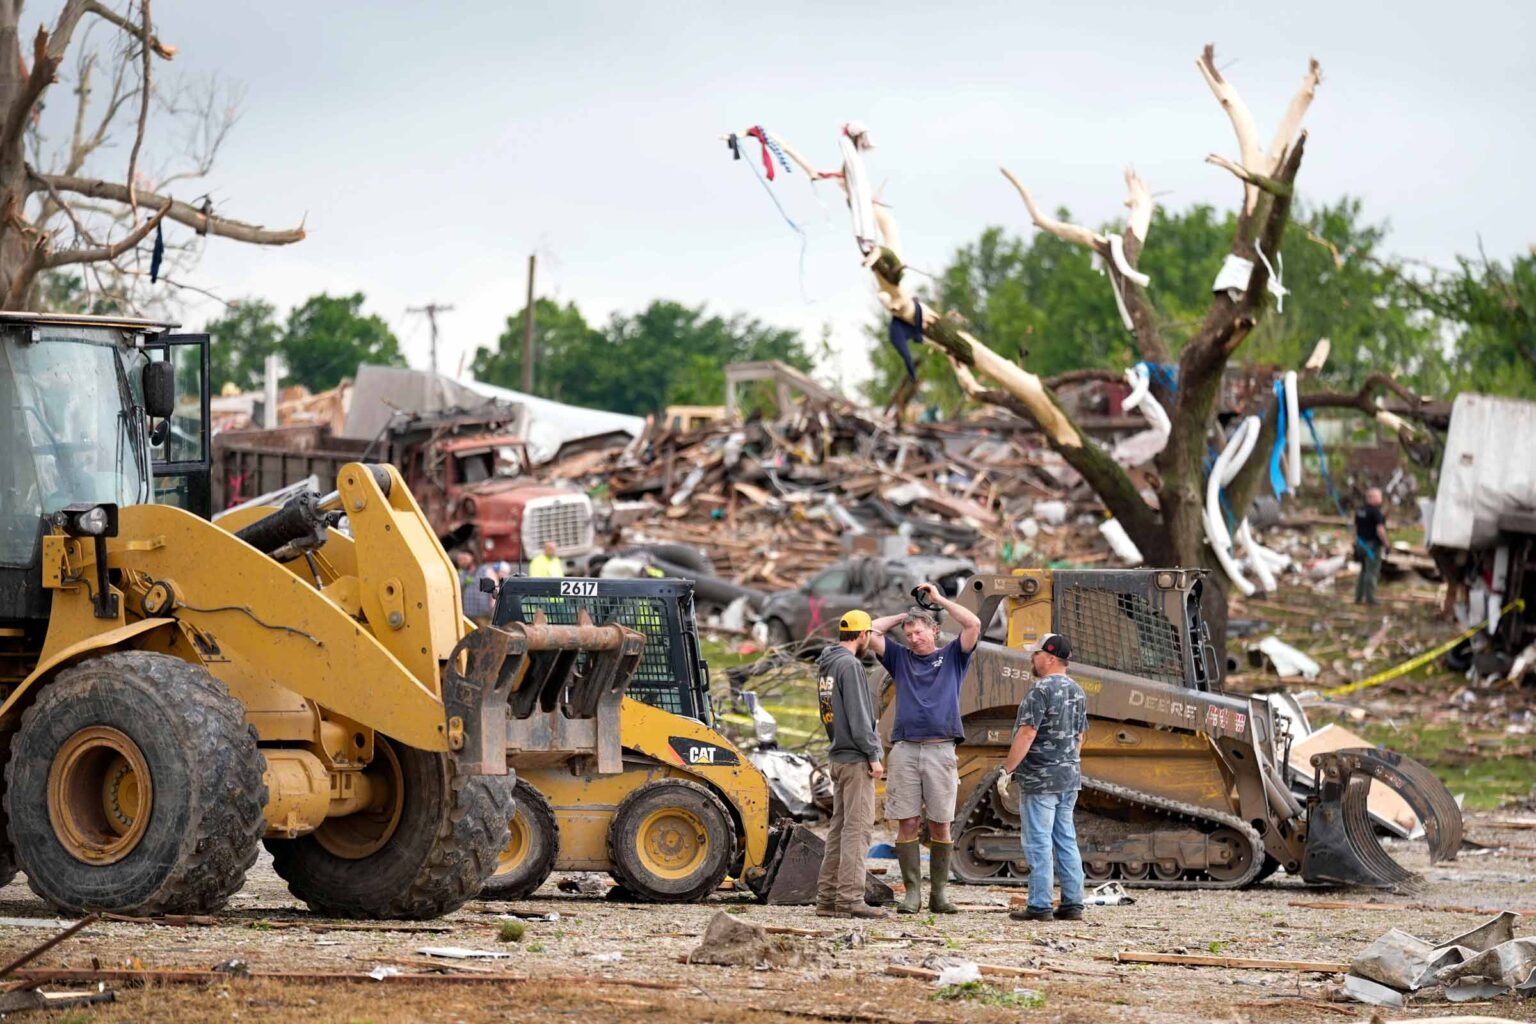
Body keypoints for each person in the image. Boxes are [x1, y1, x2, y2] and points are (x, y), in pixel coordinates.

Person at [869, 584, 982, 915]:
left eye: (918, 632)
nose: (913, 639)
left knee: (940, 823)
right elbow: (870, 630)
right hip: (905, 750)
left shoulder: (952, 657)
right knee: (906, 821)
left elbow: (973, 624)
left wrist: (938, 602)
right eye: (908, 634)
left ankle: (939, 894)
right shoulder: (900, 658)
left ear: (934, 630)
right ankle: (912, 893)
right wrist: (906, 614)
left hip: (940, 750)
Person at [1000, 632, 1087, 923]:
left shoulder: (1040, 691)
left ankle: (1039, 905)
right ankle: (1073, 903)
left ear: (1049, 657)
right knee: (1065, 839)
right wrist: (1068, 762)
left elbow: (1027, 733)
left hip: (1040, 779)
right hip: (1068, 777)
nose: (1031, 658)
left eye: (1035, 653)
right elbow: (1080, 736)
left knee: (1038, 842)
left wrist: (1008, 770)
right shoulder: (1078, 691)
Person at [814, 610, 888, 920]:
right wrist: (873, 754)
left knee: (839, 829)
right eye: (869, 634)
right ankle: (850, 900)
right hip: (856, 759)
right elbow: (859, 717)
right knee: (858, 831)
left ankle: (828, 898)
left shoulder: (827, 664)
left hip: (837, 756)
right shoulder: (850, 666)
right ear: (862, 635)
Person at [1354, 487, 1388, 606]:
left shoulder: (1360, 511)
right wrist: (1386, 544)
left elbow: (1356, 528)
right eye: (1379, 496)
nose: (1381, 499)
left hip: (1360, 544)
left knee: (1363, 571)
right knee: (1372, 572)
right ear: (1373, 498)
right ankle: (1370, 598)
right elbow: (1380, 530)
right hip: (1372, 546)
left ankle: (1358, 597)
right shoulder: (1376, 512)